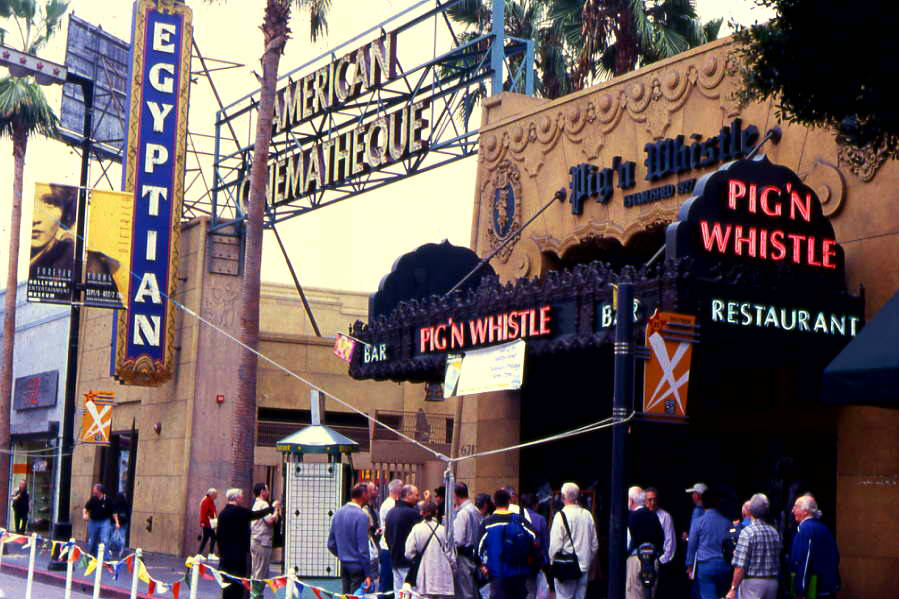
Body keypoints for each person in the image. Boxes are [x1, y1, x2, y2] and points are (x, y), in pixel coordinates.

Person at [30, 184, 120, 297]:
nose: (35, 219)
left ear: (65, 213)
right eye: (30, 205)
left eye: (50, 203)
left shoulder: (86, 262)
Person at [477, 488, 537, 599]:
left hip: (497, 572)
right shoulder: (520, 520)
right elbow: (534, 538)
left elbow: (478, 549)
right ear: (509, 501)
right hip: (518, 571)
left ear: (494, 502)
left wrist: (482, 566)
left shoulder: (488, 523)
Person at [217, 488, 277, 599]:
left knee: (227, 583)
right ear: (237, 498)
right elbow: (255, 515)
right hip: (238, 554)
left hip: (225, 555)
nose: (243, 498)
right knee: (239, 582)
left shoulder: (222, 514)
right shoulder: (239, 512)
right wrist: (272, 508)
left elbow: (218, 536)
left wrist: (221, 553)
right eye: (242, 496)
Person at [725, 494, 781, 599]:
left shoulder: (747, 532)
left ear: (750, 510)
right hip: (773, 583)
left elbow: (740, 566)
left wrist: (733, 588)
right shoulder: (774, 532)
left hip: (753, 584)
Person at [549, 482, 599, 599]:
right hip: (583, 566)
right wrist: (587, 559)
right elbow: (595, 545)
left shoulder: (560, 516)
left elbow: (555, 545)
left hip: (565, 567)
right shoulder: (587, 515)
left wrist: (553, 562)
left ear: (562, 496)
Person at [788, 495, 840, 599]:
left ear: (805, 511)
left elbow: (805, 561)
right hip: (829, 586)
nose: (792, 510)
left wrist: (801, 590)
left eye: (796, 507)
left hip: (814, 589)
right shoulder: (823, 528)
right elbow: (836, 556)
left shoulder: (805, 529)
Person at [328, 483, 374, 594]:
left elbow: (330, 544)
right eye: (368, 493)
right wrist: (368, 574)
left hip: (344, 563)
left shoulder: (338, 513)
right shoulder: (361, 516)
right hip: (358, 565)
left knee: (345, 594)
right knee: (357, 595)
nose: (370, 495)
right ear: (363, 495)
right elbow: (363, 549)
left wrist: (342, 554)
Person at [685, 488, 732, 599]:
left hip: (705, 565)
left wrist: (689, 565)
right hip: (724, 566)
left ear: (703, 502)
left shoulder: (698, 522)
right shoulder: (727, 522)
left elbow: (692, 545)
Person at [405, 500, 454, 597]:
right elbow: (451, 556)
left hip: (424, 574)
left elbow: (408, 553)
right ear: (436, 512)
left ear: (421, 512)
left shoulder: (417, 529)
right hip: (443, 575)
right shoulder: (444, 530)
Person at [626, 486, 665, 599]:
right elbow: (661, 537)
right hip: (653, 561)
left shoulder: (631, 517)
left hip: (635, 559)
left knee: (633, 595)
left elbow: (628, 542)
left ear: (631, 500)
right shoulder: (653, 515)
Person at [385, 484, 421, 591]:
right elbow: (419, 539)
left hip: (394, 559)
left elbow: (387, 536)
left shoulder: (391, 512)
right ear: (408, 495)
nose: (418, 498)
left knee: (398, 593)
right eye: (416, 495)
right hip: (409, 562)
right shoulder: (413, 514)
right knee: (410, 594)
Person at [453, 482, 483, 599]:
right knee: (472, 591)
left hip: (464, 557)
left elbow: (458, 540)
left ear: (455, 495)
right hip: (474, 556)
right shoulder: (475, 510)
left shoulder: (463, 513)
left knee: (465, 592)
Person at [645, 487, 676, 597]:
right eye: (649, 500)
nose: (652, 502)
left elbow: (670, 542)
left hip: (658, 562)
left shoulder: (665, 517)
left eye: (654, 499)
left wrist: (661, 561)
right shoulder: (640, 516)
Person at [250, 483, 280, 593]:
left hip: (256, 540)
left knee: (256, 569)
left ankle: (255, 593)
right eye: (267, 490)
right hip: (262, 542)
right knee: (260, 570)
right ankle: (256, 594)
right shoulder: (263, 505)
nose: (268, 492)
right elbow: (270, 520)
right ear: (262, 491)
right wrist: (276, 509)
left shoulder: (256, 504)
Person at [521, 493, 550, 599]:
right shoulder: (540, 519)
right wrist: (546, 561)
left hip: (518, 561)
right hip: (534, 561)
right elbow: (545, 542)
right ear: (535, 505)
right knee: (532, 590)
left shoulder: (517, 517)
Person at [378, 479, 403, 592]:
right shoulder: (392, 506)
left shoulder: (387, 503)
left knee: (387, 581)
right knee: (388, 582)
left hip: (386, 546)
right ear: (400, 491)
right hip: (389, 547)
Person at [83, 484, 113, 557]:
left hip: (104, 521)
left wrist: (117, 522)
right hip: (93, 521)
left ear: (99, 491)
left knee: (105, 540)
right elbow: (86, 508)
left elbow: (113, 512)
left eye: (94, 490)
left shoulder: (108, 500)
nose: (93, 491)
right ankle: (91, 555)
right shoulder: (93, 499)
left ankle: (105, 558)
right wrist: (85, 514)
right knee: (92, 540)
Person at [363, 481, 381, 589]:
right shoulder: (364, 509)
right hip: (369, 546)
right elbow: (368, 527)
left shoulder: (373, 508)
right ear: (368, 493)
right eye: (374, 489)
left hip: (374, 544)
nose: (377, 490)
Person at [109, 492, 130, 559]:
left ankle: (111, 549)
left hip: (114, 523)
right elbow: (128, 514)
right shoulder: (126, 504)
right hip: (123, 523)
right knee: (121, 537)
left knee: (113, 537)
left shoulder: (114, 503)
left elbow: (113, 513)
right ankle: (120, 550)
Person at [198, 488, 219, 559]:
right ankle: (210, 554)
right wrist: (202, 522)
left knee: (206, 538)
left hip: (208, 523)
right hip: (207, 523)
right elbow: (203, 512)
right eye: (215, 494)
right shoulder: (207, 501)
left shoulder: (209, 500)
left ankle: (199, 554)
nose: (217, 496)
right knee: (213, 537)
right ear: (211, 494)